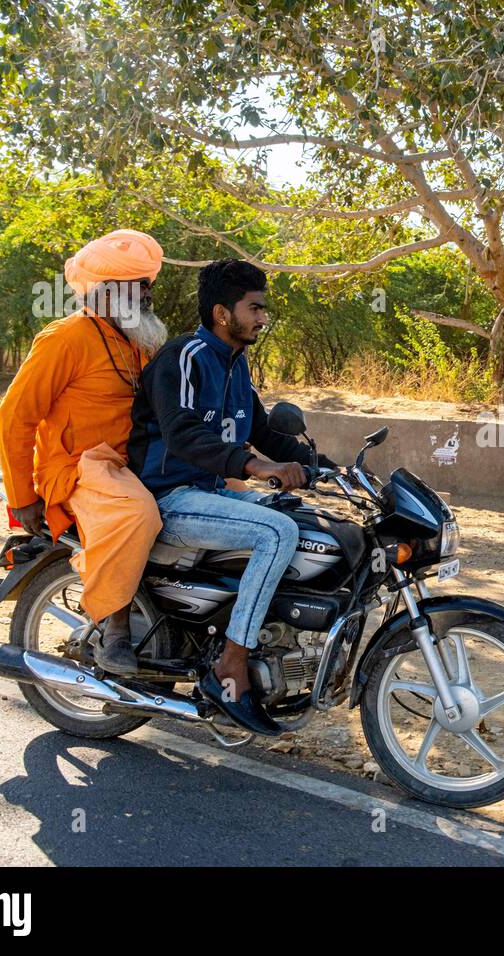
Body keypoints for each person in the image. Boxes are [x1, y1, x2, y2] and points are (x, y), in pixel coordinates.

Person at [128, 259, 334, 736]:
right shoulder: (185, 356)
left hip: (212, 494)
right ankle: (232, 663)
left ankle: (267, 645)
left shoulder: (237, 366)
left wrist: (330, 467)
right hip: (170, 497)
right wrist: (258, 468)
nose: (263, 318)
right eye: (255, 308)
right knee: (276, 531)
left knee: (302, 522)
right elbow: (182, 436)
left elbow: (263, 431)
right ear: (223, 313)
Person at [0, 229, 169, 674]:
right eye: (138, 285)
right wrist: (22, 499)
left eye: (149, 282)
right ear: (106, 292)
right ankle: (114, 628)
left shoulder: (138, 341)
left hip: (131, 462)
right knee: (137, 514)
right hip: (75, 468)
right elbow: (15, 419)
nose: (148, 292)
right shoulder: (65, 339)